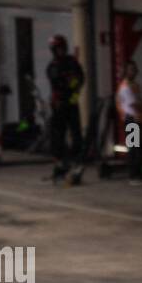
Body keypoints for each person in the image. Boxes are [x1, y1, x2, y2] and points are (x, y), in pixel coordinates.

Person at [46, 34, 85, 183]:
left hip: (71, 103)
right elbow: (60, 83)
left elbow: (79, 80)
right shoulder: (53, 67)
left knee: (76, 134)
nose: (60, 51)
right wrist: (70, 83)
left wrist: (73, 94)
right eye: (57, 49)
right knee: (58, 136)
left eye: (62, 48)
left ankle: (76, 162)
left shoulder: (72, 62)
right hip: (59, 106)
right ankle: (60, 164)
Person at [116, 60, 142, 185]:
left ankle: (138, 174)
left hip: (139, 119)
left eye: (134, 69)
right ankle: (133, 175)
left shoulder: (134, 85)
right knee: (134, 148)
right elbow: (134, 104)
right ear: (126, 71)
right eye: (130, 69)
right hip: (131, 121)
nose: (133, 72)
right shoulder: (125, 87)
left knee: (140, 147)